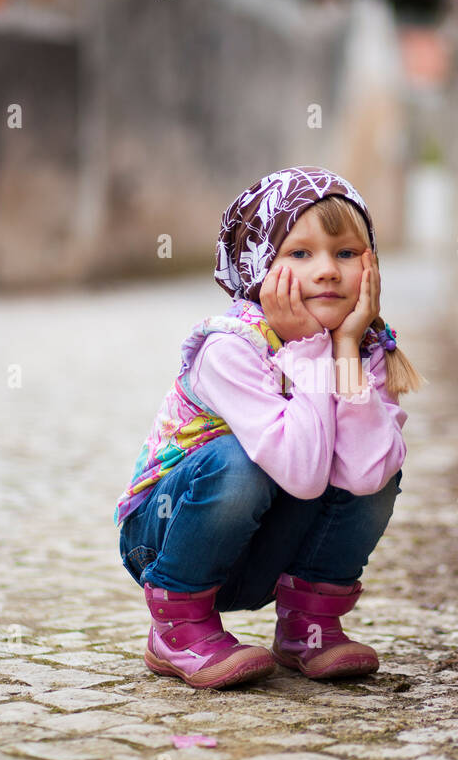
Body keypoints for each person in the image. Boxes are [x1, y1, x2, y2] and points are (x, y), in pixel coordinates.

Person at [114, 166, 426, 690]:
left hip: (265, 551)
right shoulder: (231, 347)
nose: (327, 270)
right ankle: (176, 627)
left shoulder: (366, 351)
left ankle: (308, 626)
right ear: (261, 264)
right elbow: (302, 476)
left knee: (382, 459)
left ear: (371, 265)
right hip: (167, 540)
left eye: (346, 253)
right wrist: (308, 349)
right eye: (300, 254)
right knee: (238, 462)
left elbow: (368, 473)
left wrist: (344, 349)